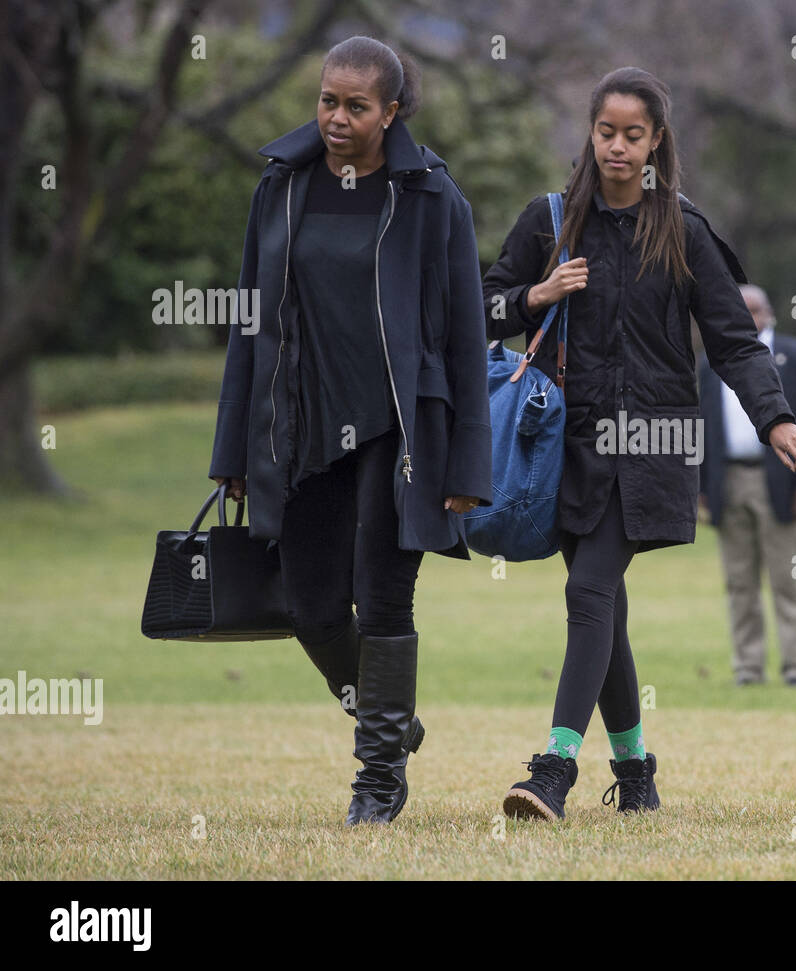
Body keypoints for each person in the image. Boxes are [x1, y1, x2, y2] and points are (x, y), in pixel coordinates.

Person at [482, 66, 796, 821]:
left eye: (634, 135)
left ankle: (553, 769)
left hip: (654, 445)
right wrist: (537, 294)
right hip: (563, 444)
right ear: (590, 134)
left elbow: (734, 343)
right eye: (606, 133)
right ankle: (635, 774)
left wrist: (778, 421)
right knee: (605, 609)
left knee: (588, 590)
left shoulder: (685, 229)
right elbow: (479, 309)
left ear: (657, 140)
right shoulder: (547, 221)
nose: (618, 148)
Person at [207, 36, 492, 826]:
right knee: (311, 606)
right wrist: (233, 448)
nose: (336, 117)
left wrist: (467, 461)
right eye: (328, 100)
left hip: (398, 430)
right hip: (300, 425)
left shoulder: (433, 198)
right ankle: (392, 719)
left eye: (356, 105)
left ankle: (377, 781)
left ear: (391, 111)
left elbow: (466, 335)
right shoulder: (282, 185)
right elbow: (248, 320)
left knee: (384, 594)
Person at [698, 284, 796, 687]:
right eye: (740, 312)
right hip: (728, 479)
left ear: (768, 313)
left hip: (782, 478)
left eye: (753, 311)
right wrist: (701, 488)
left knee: (789, 579)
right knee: (739, 582)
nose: (748, 319)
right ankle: (748, 668)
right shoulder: (709, 364)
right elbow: (701, 430)